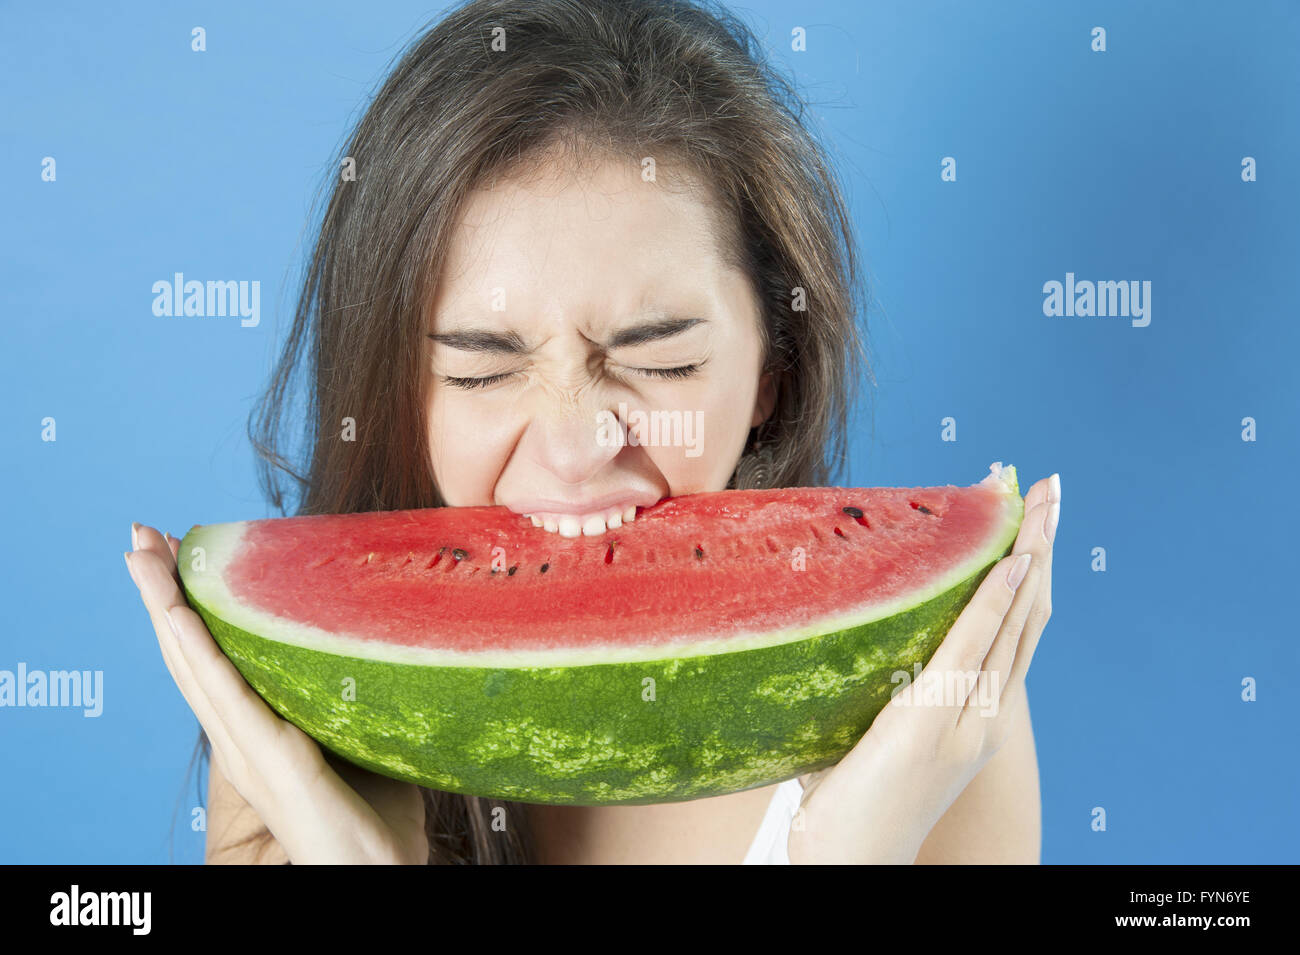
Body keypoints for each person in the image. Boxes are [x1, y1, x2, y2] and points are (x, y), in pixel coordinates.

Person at [123, 0, 1058, 864]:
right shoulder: (314, 708)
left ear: (772, 370)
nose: (576, 450)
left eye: (659, 359)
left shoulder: (936, 716)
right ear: (402, 388)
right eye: (482, 368)